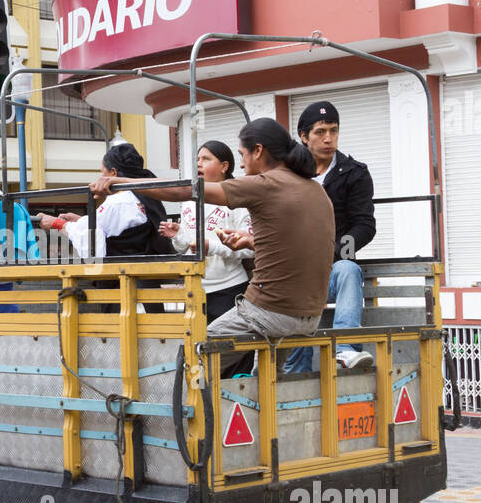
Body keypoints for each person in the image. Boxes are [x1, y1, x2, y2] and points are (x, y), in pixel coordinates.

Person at [91, 118, 332, 356]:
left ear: (258, 151)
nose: (242, 164)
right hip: (309, 317)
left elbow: (184, 189)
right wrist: (250, 240)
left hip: (269, 311)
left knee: (192, 356)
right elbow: (297, 243)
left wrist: (121, 182)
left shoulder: (264, 184)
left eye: (243, 154)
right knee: (266, 379)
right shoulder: (316, 189)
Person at [281, 100, 376, 371]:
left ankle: (345, 348)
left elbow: (365, 225)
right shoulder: (287, 173)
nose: (328, 138)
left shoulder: (355, 172)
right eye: (320, 132)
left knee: (349, 269)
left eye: (333, 131)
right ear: (303, 136)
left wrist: (334, 250)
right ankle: (289, 373)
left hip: (333, 266)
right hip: (292, 274)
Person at [159, 140, 252, 324]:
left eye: (206, 159)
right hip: (194, 288)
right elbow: (183, 247)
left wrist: (212, 247)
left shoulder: (237, 199)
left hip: (229, 289)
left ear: (224, 166)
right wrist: (178, 236)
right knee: (194, 349)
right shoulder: (189, 200)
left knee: (229, 350)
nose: (199, 163)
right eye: (198, 159)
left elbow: (250, 248)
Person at [34, 143, 174, 259]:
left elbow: (90, 233)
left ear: (113, 172)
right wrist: (80, 219)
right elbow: (108, 224)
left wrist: (57, 223)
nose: (101, 176)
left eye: (103, 172)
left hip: (123, 273)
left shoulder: (119, 200)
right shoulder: (143, 196)